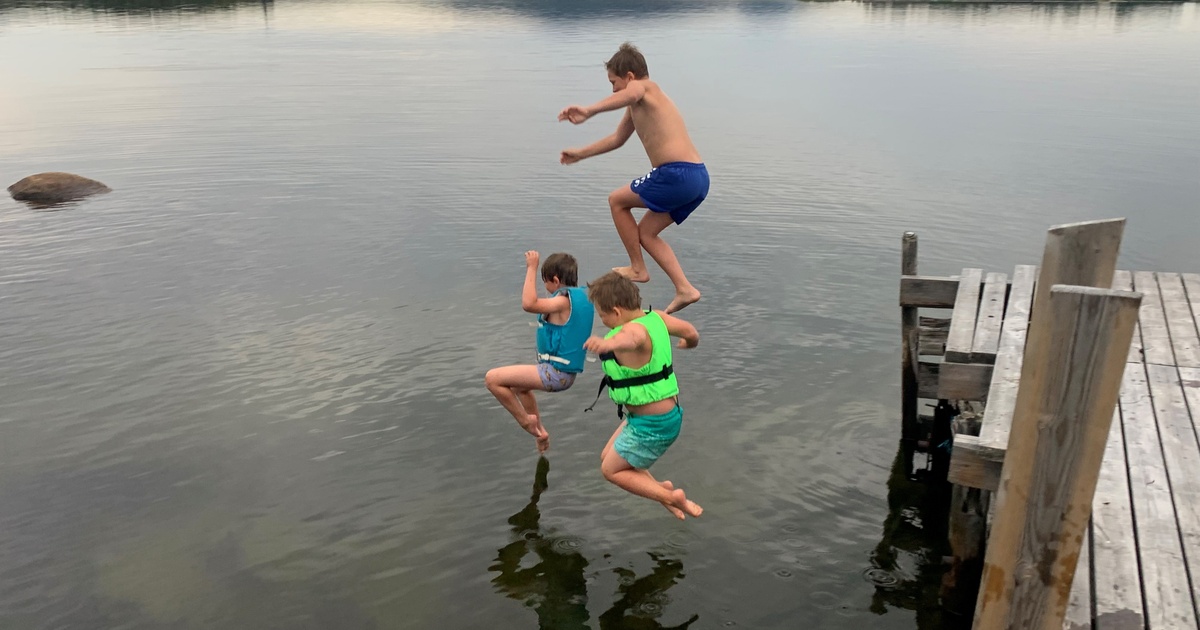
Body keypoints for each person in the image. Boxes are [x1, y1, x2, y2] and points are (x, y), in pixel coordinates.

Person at [559, 42, 709, 315]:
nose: (613, 89)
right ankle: (685, 288)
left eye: (614, 82)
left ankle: (638, 268)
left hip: (676, 173)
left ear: (629, 76)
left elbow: (631, 93)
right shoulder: (637, 105)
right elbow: (617, 140)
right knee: (646, 233)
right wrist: (581, 154)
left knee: (617, 201)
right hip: (697, 178)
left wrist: (589, 110)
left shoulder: (645, 88)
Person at [582, 271, 703, 520]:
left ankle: (671, 497)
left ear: (616, 312)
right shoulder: (656, 317)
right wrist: (689, 343)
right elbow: (691, 332)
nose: (602, 320)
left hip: (654, 425)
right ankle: (662, 491)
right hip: (656, 417)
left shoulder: (630, 332)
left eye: (602, 315)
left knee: (610, 470)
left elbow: (632, 337)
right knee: (609, 457)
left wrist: (608, 345)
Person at [486, 251, 595, 454]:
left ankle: (527, 422)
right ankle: (540, 432)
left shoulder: (563, 302)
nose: (546, 289)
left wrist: (531, 268)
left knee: (492, 379)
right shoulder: (579, 298)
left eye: (545, 282)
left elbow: (529, 304)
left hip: (556, 374)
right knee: (519, 388)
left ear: (555, 280)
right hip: (559, 373)